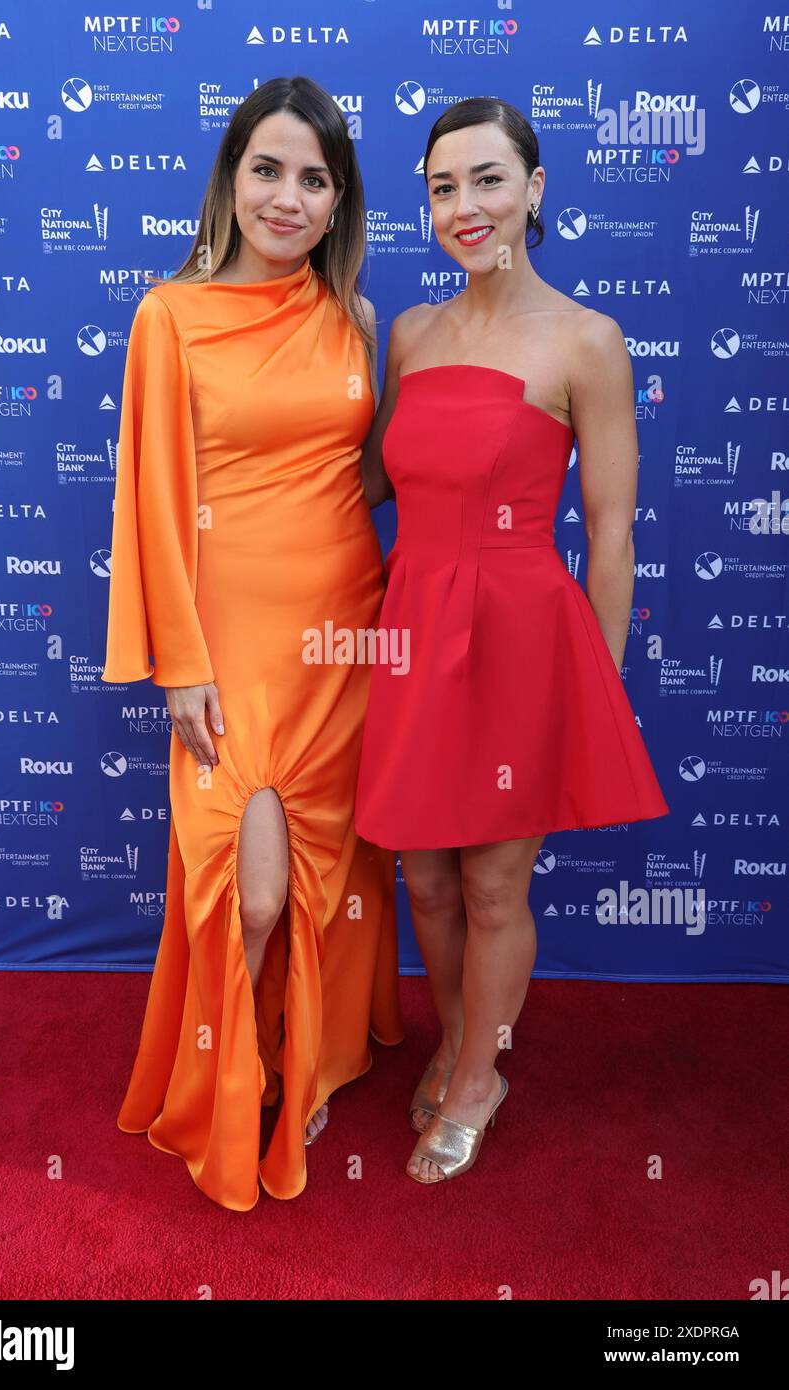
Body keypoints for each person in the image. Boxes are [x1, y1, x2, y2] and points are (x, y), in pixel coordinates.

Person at [354, 97, 670, 1185]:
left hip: (522, 642)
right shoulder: (408, 333)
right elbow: (373, 486)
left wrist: (591, 690)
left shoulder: (587, 339)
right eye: (442, 187)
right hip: (414, 631)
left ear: (534, 189)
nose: (464, 207)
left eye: (486, 180)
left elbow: (613, 533)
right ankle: (455, 1038)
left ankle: (479, 1075)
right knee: (426, 887)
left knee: (492, 889)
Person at [102, 76, 403, 1212]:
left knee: (333, 873)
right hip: (229, 645)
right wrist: (180, 662)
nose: (288, 195)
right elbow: (152, 498)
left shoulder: (354, 318)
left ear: (338, 202)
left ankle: (303, 1059)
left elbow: (364, 477)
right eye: (268, 168)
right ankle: (231, 1074)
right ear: (232, 176)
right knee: (255, 886)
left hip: (346, 634)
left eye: (313, 178)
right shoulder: (167, 315)